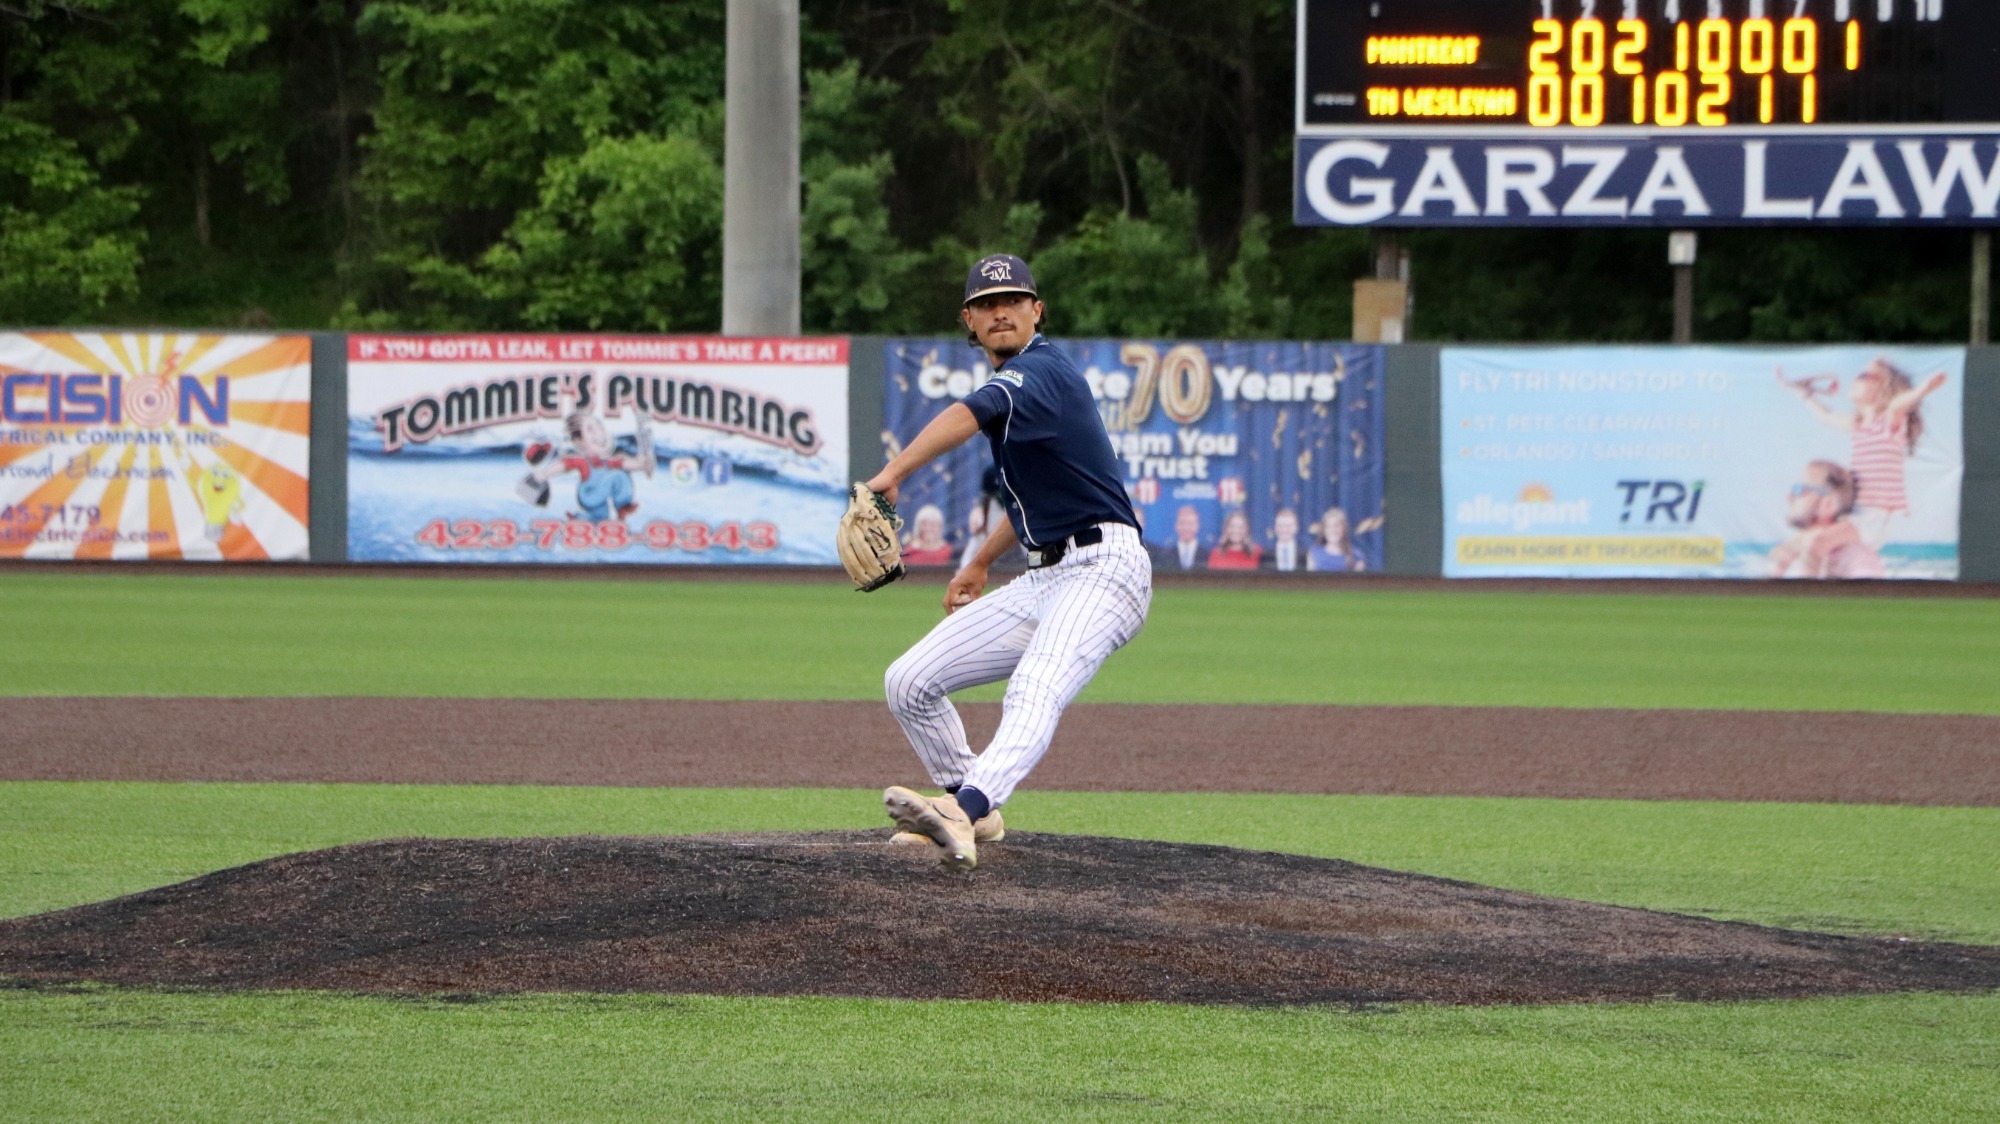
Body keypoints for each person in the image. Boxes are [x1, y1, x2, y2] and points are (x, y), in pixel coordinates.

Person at [867, 253, 1151, 870]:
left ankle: (963, 809)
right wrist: (979, 563)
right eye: (987, 304)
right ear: (968, 321)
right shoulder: (1023, 398)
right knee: (909, 681)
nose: (1001, 311)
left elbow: (970, 414)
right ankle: (975, 809)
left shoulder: (1043, 370)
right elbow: (1033, 499)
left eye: (1014, 301)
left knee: (1035, 684)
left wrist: (893, 473)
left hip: (1107, 570)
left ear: (1036, 311)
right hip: (1044, 575)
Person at [1781, 357, 1946, 548]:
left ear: (1885, 390)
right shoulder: (1859, 425)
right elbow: (1826, 416)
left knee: (1816, 543)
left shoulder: (1888, 423)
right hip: (1853, 510)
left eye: (1865, 375)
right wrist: (1805, 395)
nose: (1856, 378)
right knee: (1794, 546)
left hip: (1873, 515)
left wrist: (1922, 390)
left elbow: (1897, 406)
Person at [518, 412, 654, 522]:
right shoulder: (583, 461)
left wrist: (642, 465)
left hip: (599, 496)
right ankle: (623, 506)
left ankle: (580, 519)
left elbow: (625, 463)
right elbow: (564, 464)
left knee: (602, 517)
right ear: (579, 441)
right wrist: (544, 474)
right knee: (619, 476)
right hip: (588, 494)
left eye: (599, 427)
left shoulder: (609, 462)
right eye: (590, 430)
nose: (598, 433)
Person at [1768, 460, 1886, 579]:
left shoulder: (1856, 558)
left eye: (1800, 489)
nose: (1790, 496)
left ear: (1829, 504)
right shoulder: (1790, 553)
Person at [1307, 506, 1362, 572]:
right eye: (1329, 526)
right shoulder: (1314, 553)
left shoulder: (1356, 556)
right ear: (1324, 530)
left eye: (1336, 526)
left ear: (1344, 529)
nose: (1333, 530)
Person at [1166, 504, 1204, 570]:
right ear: (1176, 526)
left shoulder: (1206, 555)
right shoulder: (1166, 555)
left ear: (1197, 526)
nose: (1186, 528)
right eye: (1182, 523)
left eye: (1190, 523)